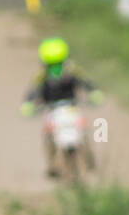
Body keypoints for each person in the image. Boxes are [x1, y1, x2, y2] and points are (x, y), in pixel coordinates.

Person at [20, 37, 103, 178]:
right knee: (48, 135)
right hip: (53, 112)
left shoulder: (72, 72)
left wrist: (94, 93)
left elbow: (86, 83)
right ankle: (52, 163)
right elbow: (33, 91)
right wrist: (28, 104)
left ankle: (89, 158)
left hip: (72, 108)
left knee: (83, 131)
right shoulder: (42, 77)